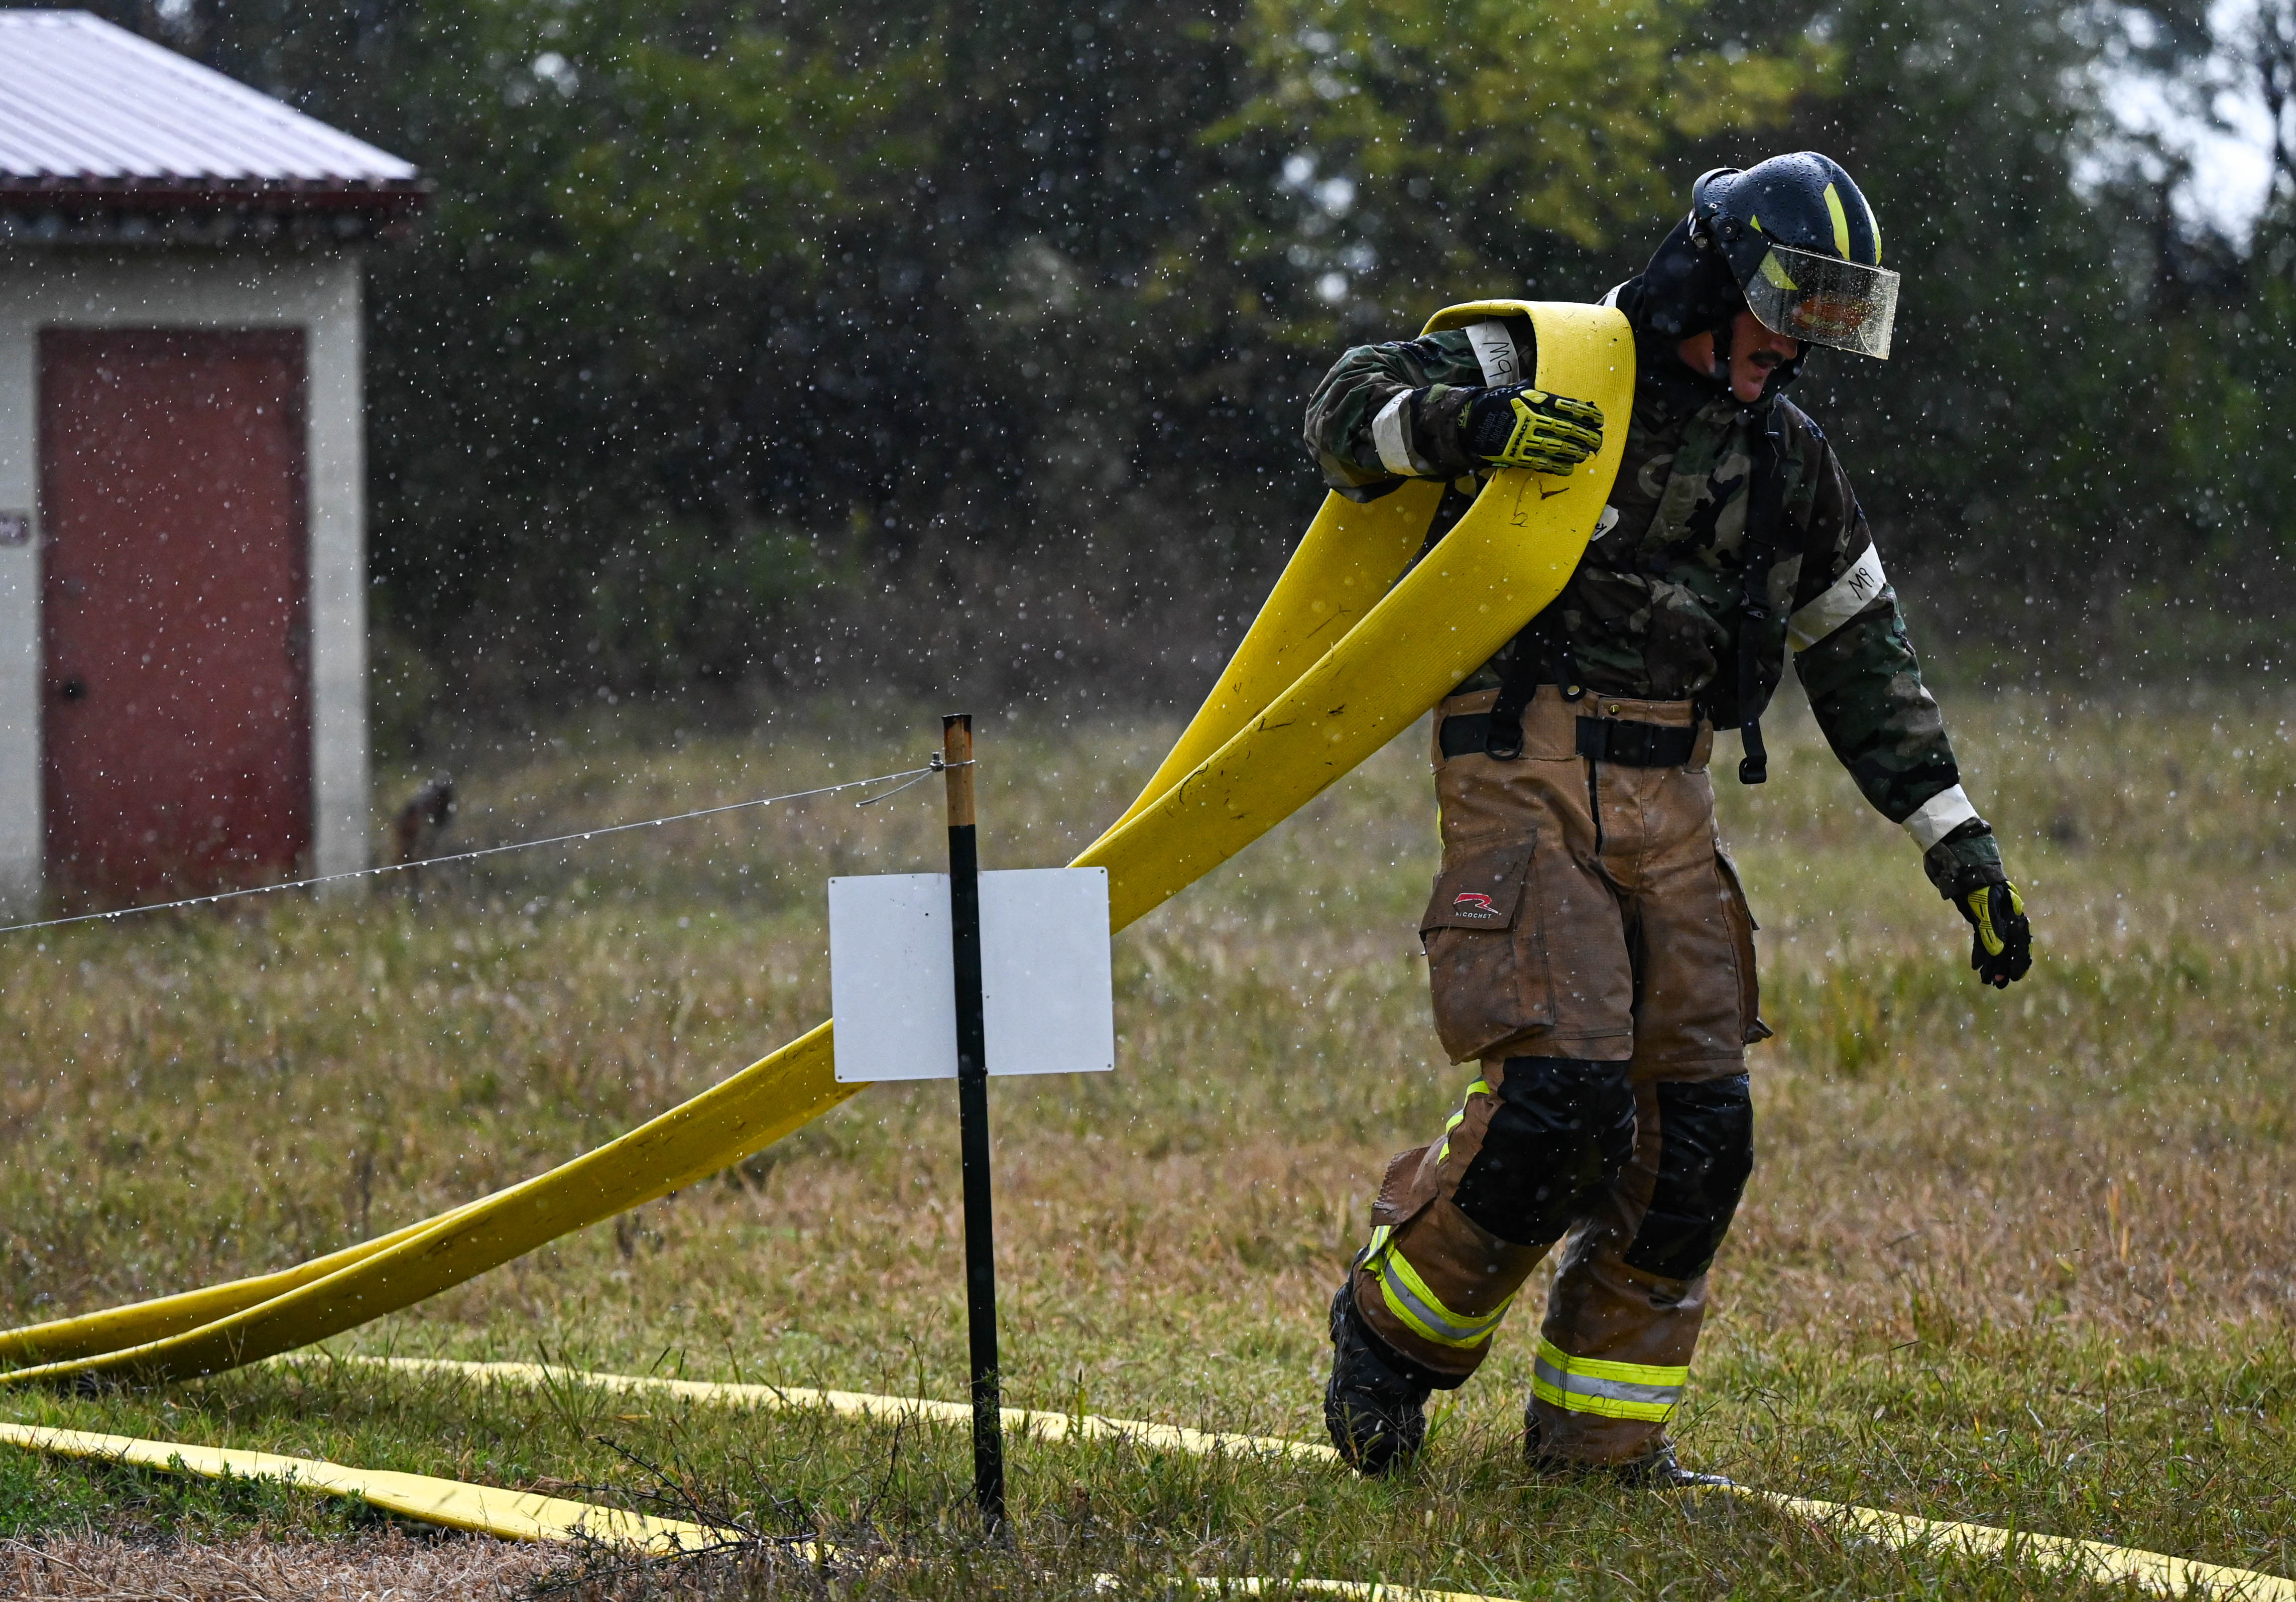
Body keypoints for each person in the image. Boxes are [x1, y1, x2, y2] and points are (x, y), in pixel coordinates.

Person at [1301, 152, 2033, 1485]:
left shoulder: (1791, 459)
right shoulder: (1553, 363)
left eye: (1826, 320)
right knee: (1560, 1103)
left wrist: (1957, 841)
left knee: (1700, 1136)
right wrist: (1465, 431)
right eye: (1787, 307)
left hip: (1674, 792)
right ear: (1714, 275)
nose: (1799, 346)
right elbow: (1345, 413)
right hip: (1520, 764)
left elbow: (1861, 656)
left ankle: (1600, 1453)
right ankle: (1386, 1347)